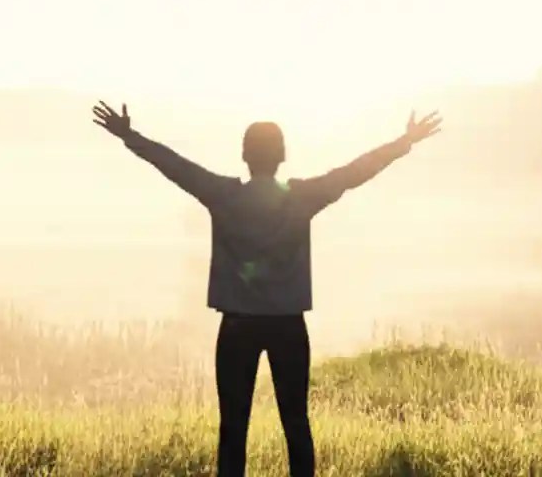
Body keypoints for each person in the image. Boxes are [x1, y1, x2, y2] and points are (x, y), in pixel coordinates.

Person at [91, 101, 443, 477]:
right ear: (283, 155)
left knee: (233, 429)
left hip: (237, 325)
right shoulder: (301, 197)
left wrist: (129, 136)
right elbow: (354, 172)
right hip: (288, 326)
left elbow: (175, 166)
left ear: (244, 155)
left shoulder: (224, 195)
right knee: (296, 424)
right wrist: (404, 142)